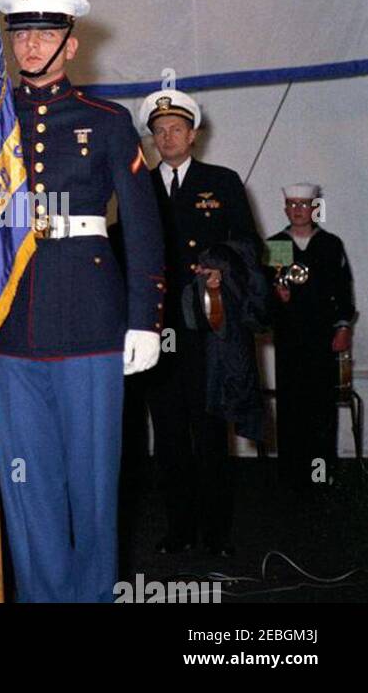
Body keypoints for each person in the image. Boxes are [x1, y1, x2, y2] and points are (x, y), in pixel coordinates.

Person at [0, 0, 164, 603]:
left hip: (92, 319)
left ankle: (90, 596)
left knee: (93, 482)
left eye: (44, 34)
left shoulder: (108, 121)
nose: (30, 44)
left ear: (71, 44)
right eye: (20, 33)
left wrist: (145, 318)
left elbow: (142, 225)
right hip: (9, 325)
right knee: (26, 482)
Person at [137, 91, 267, 556]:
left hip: (209, 328)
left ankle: (216, 534)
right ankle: (179, 530)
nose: (167, 136)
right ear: (151, 139)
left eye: (176, 128)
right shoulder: (139, 187)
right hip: (157, 331)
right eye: (159, 130)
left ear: (193, 135)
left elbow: (250, 246)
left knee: (211, 430)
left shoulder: (224, 182)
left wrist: (222, 270)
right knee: (169, 431)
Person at [267, 184, 355, 491]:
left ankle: (319, 475)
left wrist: (343, 328)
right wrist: (276, 295)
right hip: (289, 340)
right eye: (292, 204)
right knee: (291, 407)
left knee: (321, 408)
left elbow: (344, 291)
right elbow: (266, 292)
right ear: (285, 208)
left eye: (304, 205)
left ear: (314, 208)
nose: (298, 210)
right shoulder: (276, 244)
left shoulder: (330, 244)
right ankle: (292, 477)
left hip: (322, 340)